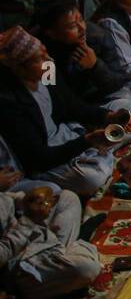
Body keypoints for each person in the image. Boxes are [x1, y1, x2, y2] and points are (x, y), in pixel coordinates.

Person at [0, 25, 121, 197]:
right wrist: (86, 141)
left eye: (45, 52)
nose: (48, 59)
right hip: (46, 155)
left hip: (65, 133)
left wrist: (107, 116)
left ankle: (102, 154)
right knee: (91, 179)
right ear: (19, 69)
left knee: (121, 108)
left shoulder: (47, 70)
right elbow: (39, 157)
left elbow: (71, 104)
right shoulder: (10, 103)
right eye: (38, 59)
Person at [33, 0, 131, 118]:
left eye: (81, 19)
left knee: (127, 104)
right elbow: (55, 98)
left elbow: (118, 82)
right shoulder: (42, 54)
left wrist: (95, 65)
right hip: (73, 106)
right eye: (72, 26)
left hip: (99, 96)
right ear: (52, 33)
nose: (82, 28)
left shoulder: (96, 36)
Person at [0, 185, 101, 299]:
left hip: (33, 236)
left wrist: (35, 201)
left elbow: (7, 199)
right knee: (87, 269)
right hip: (18, 267)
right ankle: (69, 254)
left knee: (67, 198)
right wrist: (29, 220)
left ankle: (61, 257)